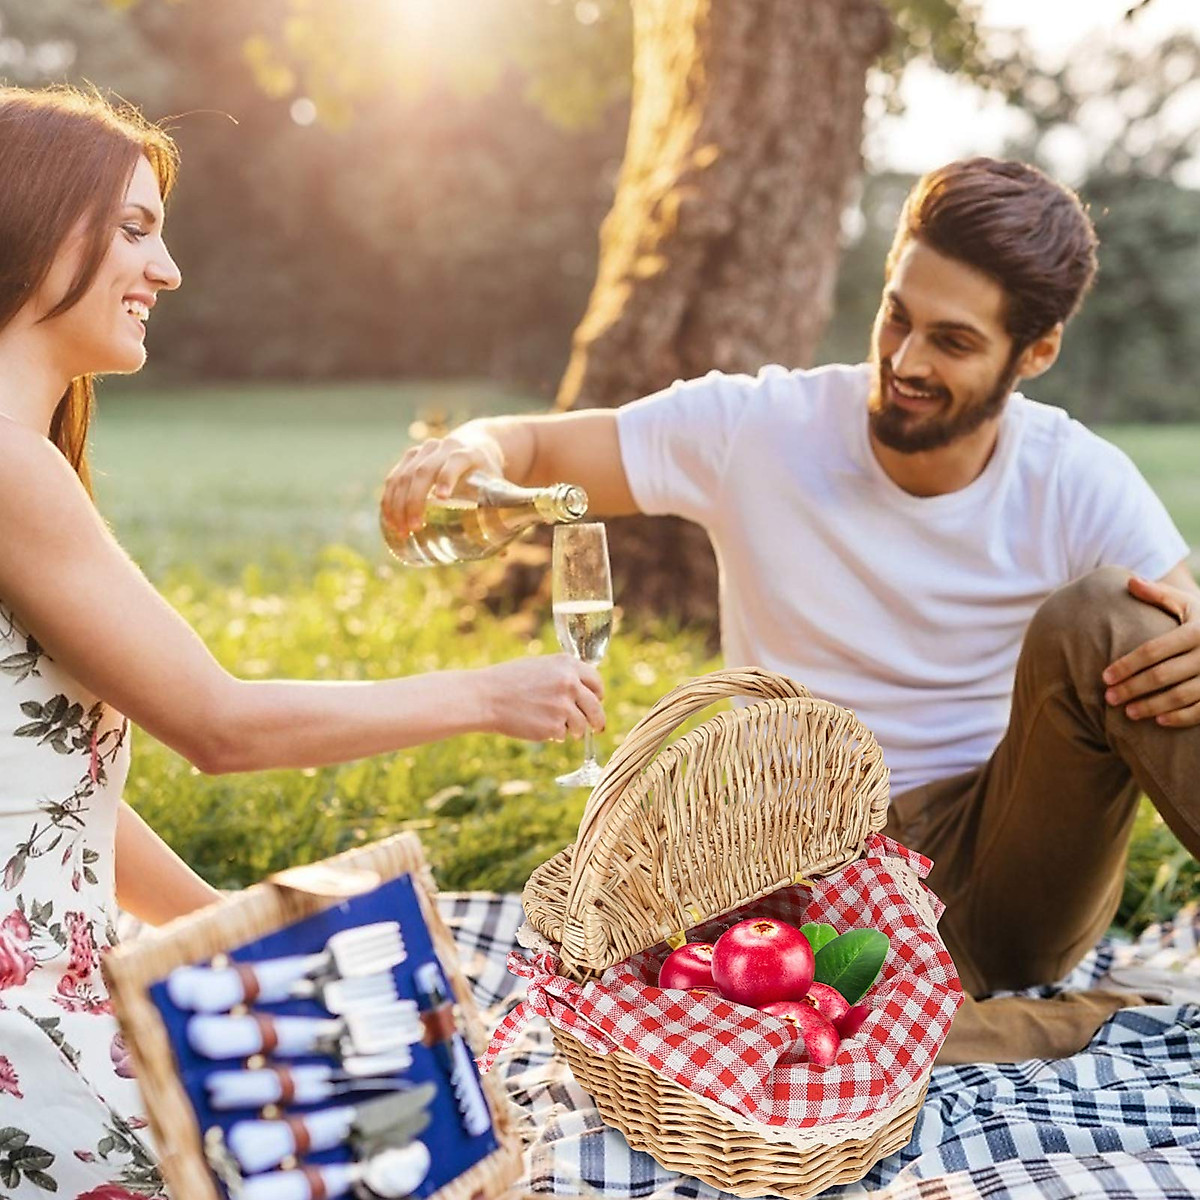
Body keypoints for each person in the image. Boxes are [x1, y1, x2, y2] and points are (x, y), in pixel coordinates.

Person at [386, 156, 1200, 1065]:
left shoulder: (1074, 477)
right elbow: (535, 447)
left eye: (953, 342)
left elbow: (1176, 623)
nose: (904, 361)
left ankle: (937, 1025)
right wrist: (467, 446)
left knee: (1120, 618)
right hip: (803, 866)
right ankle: (1105, 1025)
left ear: (1035, 352)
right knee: (702, 1014)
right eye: (896, 315)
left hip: (1003, 861)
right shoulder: (757, 428)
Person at [0, 85, 604, 1195]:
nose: (168, 269)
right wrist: (487, 695)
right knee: (417, 1144)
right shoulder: (5, 463)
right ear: (31, 226)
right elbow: (222, 728)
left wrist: (234, 925)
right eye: (135, 228)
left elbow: (47, 791)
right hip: (32, 1043)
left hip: (72, 977)